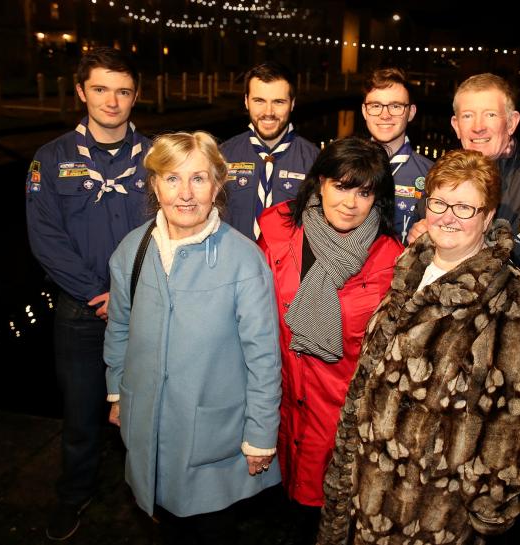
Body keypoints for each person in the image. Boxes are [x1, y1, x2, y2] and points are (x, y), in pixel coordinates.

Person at [317, 149, 520, 545]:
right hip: (365, 492)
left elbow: (512, 425)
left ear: (488, 215)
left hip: (433, 513)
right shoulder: (411, 266)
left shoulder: (512, 301)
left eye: (465, 207)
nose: (448, 216)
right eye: (440, 202)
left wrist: (485, 512)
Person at [104, 131, 282, 545]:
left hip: (211, 436)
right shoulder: (132, 250)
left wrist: (260, 434)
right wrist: (117, 392)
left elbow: (264, 358)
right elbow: (119, 327)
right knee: (162, 521)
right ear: (154, 185)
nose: (185, 193)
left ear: (218, 186)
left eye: (198, 179)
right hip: (147, 424)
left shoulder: (243, 260)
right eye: (171, 178)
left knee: (209, 529)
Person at [25, 46, 151, 540]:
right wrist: (99, 293)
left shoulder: (161, 155)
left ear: (136, 95)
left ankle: (148, 490)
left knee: (149, 408)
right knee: (80, 414)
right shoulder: (51, 159)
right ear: (81, 92)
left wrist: (132, 293)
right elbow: (45, 239)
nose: (112, 101)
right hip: (82, 312)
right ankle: (74, 495)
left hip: (149, 309)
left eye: (122, 91)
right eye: (100, 89)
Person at [408, 73, 520, 409]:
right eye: (468, 116)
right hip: (442, 360)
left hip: (515, 366)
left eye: (490, 115)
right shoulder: (440, 181)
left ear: (512, 122)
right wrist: (418, 241)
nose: (478, 127)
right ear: (455, 125)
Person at [257, 136, 403, 542]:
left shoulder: (390, 258)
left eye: (364, 191)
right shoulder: (277, 230)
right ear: (319, 182)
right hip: (279, 407)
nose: (350, 202)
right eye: (341, 185)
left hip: (339, 422)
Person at [220, 61, 320, 239]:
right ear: (246, 101)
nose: (268, 112)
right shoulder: (222, 156)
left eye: (278, 102)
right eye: (259, 101)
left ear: (292, 104)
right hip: (233, 264)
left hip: (287, 266)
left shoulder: (315, 161)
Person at [361, 67, 433, 241]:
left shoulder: (433, 174)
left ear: (411, 113)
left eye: (395, 106)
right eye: (376, 106)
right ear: (364, 111)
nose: (385, 115)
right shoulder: (342, 166)